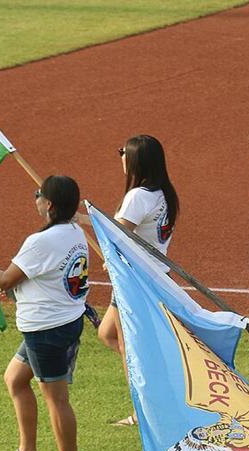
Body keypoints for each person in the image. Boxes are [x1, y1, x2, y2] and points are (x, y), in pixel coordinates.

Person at [0, 175, 89, 451]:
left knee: (56, 399)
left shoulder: (41, 241)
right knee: (15, 379)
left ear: (50, 205)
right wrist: (20, 289)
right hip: (61, 322)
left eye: (38, 195)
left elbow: (4, 279)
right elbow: (46, 276)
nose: (36, 199)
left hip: (48, 329)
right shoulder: (75, 232)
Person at [78, 135, 178, 427]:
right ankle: (157, 390)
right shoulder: (163, 194)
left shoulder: (137, 197)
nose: (120, 156)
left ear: (136, 160)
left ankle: (145, 410)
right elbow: (123, 227)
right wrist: (83, 219)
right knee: (108, 334)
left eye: (124, 152)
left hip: (134, 279)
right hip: (153, 275)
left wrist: (112, 258)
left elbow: (116, 237)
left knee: (130, 346)